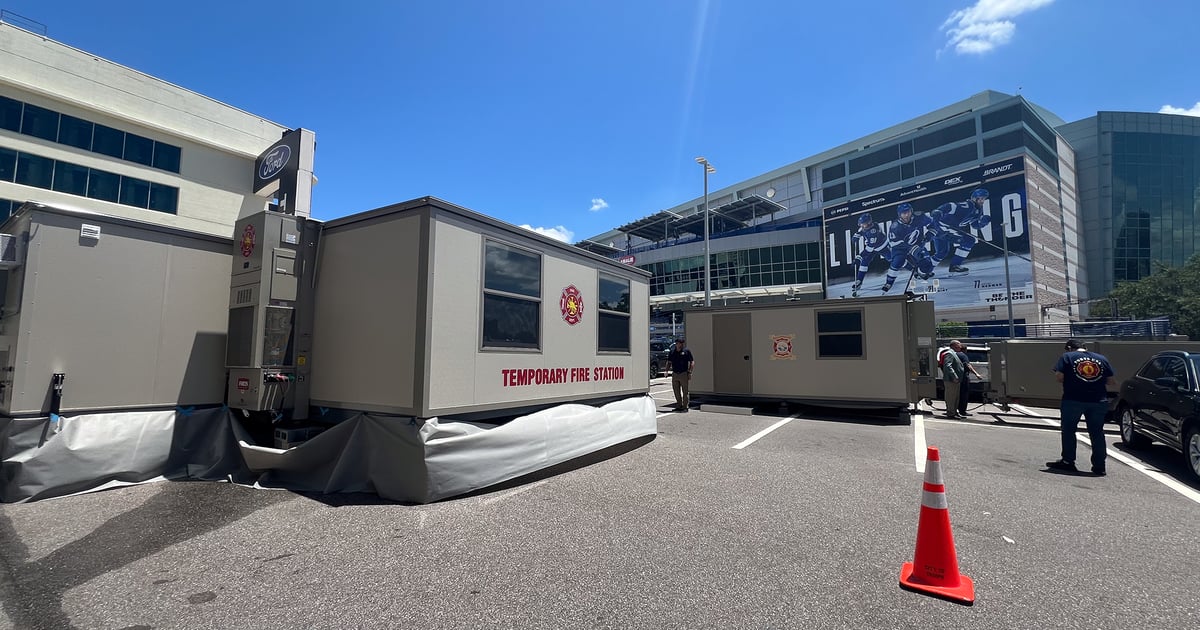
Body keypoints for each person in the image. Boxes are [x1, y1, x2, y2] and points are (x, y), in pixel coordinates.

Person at [1048, 339, 1116, 476]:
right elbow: (1111, 381)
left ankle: (1068, 461)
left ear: (1069, 348)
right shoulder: (1101, 358)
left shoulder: (1067, 357)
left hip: (1073, 399)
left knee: (1068, 431)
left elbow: (1059, 377)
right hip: (1098, 400)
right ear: (1084, 347)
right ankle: (1099, 466)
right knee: (1097, 432)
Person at [928, 188, 991, 274]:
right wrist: (939, 211)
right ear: (974, 198)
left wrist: (982, 223)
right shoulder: (968, 206)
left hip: (941, 230)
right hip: (943, 228)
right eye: (980, 198)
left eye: (984, 198)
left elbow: (974, 225)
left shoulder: (978, 210)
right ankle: (955, 266)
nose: (982, 201)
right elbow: (951, 206)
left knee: (942, 252)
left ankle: (924, 270)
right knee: (969, 240)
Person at [882, 203, 939, 293]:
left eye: (908, 212)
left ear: (911, 211)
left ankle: (919, 271)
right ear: (899, 214)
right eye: (903, 213)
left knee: (927, 265)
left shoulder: (920, 217)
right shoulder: (895, 226)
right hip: (899, 248)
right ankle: (889, 283)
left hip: (917, 245)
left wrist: (929, 235)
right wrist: (911, 249)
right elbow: (894, 242)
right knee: (897, 262)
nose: (906, 215)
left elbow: (933, 224)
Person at [849, 213, 889, 297]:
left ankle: (913, 270)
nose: (862, 226)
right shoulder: (865, 227)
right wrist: (856, 236)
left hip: (881, 246)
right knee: (864, 262)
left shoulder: (873, 231)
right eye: (861, 224)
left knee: (894, 260)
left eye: (864, 224)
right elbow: (860, 231)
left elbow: (869, 249)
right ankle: (859, 280)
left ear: (869, 223)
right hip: (872, 246)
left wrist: (858, 258)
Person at [952, 340, 982, 416]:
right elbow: (968, 365)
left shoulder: (953, 354)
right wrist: (976, 374)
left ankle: (954, 409)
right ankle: (962, 411)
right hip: (964, 377)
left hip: (955, 377)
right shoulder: (963, 355)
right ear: (965, 350)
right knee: (964, 394)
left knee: (956, 394)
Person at [668, 337, 695, 412]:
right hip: (675, 373)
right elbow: (669, 362)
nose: (678, 344)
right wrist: (666, 371)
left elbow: (692, 362)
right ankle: (679, 405)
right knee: (676, 391)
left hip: (683, 373)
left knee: (685, 391)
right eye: (677, 343)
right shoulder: (672, 352)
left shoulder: (686, 351)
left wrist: (690, 372)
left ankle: (685, 407)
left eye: (680, 343)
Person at [940, 342, 964, 419]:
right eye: (959, 344)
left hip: (956, 380)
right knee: (951, 397)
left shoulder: (954, 353)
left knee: (956, 397)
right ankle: (950, 412)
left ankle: (954, 412)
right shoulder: (949, 353)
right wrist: (954, 376)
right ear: (954, 345)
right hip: (951, 380)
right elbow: (948, 366)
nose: (961, 346)